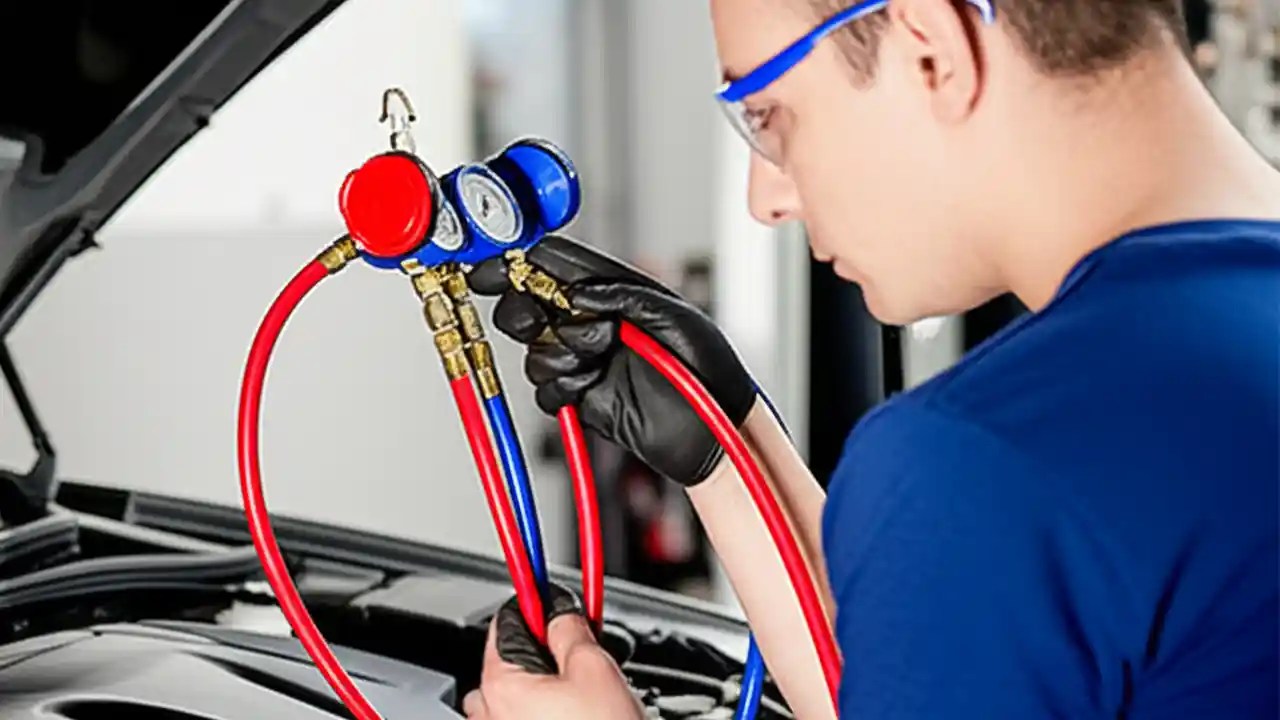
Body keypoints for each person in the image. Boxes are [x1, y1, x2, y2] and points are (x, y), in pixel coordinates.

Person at [461, 0, 1280, 717]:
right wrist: (731, 450)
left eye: (767, 115)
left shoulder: (990, 460)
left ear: (932, 50)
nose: (767, 198)